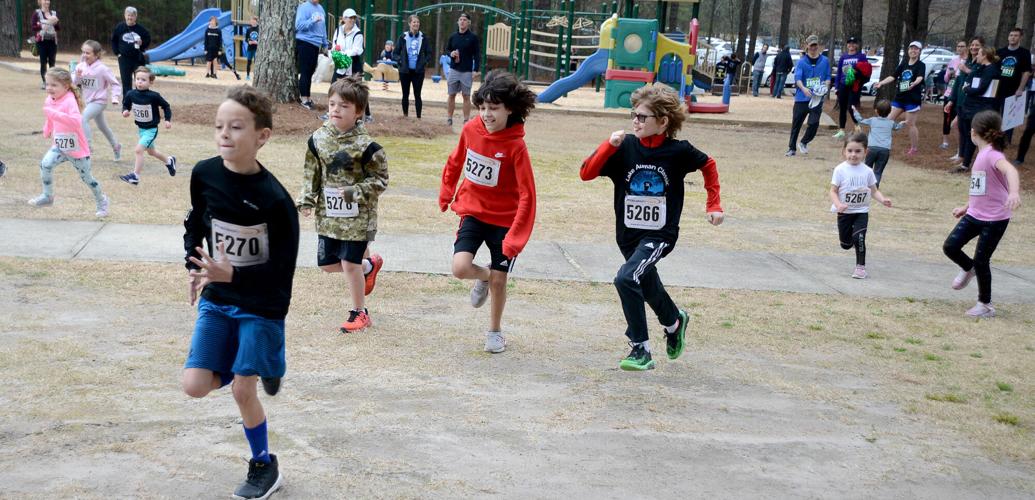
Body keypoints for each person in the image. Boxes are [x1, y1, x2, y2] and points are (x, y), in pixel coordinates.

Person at [181, 85, 299, 500]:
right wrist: (196, 267)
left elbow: (282, 273)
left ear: (261, 136)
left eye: (236, 127)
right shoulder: (205, 173)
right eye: (218, 127)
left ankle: (265, 465)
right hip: (219, 296)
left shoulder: (275, 201)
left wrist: (231, 274)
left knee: (241, 390)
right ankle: (259, 359)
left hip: (262, 307)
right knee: (194, 385)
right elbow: (197, 221)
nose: (224, 135)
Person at [580, 82, 723, 371]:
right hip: (627, 235)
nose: (635, 121)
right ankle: (674, 321)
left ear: (663, 121)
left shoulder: (678, 151)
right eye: (633, 115)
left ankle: (640, 348)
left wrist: (714, 204)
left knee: (625, 278)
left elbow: (708, 164)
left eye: (642, 117)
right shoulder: (625, 147)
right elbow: (586, 173)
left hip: (660, 235)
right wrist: (609, 145)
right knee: (645, 282)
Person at [438, 70, 537, 353]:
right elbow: (455, 162)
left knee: (500, 279)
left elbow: (528, 195)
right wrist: (447, 192)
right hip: (473, 212)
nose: (486, 114)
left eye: (494, 109)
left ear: (510, 109)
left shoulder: (516, 146)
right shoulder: (471, 130)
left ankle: (494, 331)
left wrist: (515, 237)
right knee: (459, 268)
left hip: (505, 222)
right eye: (482, 108)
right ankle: (483, 276)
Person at [297, 76, 388, 333]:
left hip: (358, 217)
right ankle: (369, 265)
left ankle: (360, 312)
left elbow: (381, 180)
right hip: (328, 216)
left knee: (350, 264)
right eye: (332, 104)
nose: (335, 109)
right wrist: (306, 199)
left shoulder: (367, 146)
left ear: (358, 112)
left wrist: (354, 192)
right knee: (327, 265)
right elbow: (311, 172)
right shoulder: (318, 139)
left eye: (344, 106)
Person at [942, 110, 1022, 318]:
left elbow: (1011, 171)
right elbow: (983, 188)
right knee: (950, 246)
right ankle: (968, 268)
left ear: (974, 132)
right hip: (975, 214)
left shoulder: (993, 155)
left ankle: (985, 304)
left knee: (982, 260)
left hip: (995, 219)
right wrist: (966, 207)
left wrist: (1014, 193)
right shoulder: (982, 154)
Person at [29, 68, 109, 218]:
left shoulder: (69, 100)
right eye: (47, 84)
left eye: (54, 85)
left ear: (66, 86)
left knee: (87, 178)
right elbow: (50, 117)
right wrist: (47, 129)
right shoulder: (49, 99)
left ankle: (102, 201)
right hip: (59, 146)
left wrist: (54, 114)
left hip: (77, 149)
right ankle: (48, 196)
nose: (49, 88)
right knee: (45, 164)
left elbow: (75, 122)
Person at [828, 132, 892, 279]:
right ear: (844, 151)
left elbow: (874, 191)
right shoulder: (840, 170)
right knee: (845, 244)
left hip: (861, 212)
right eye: (850, 151)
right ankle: (847, 241)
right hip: (845, 213)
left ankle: (860, 267)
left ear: (865, 152)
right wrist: (838, 204)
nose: (853, 155)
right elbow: (832, 191)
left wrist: (883, 200)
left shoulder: (868, 171)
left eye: (858, 151)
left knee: (860, 238)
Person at [119, 66, 176, 185]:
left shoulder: (154, 96)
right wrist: (125, 111)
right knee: (151, 152)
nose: (139, 82)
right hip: (141, 129)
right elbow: (126, 104)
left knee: (139, 150)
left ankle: (135, 176)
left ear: (151, 82)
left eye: (143, 80)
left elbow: (166, 106)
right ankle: (169, 161)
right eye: (137, 79)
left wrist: (167, 119)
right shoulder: (131, 94)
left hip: (151, 129)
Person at [951, 41, 999, 173]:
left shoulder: (992, 70)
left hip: (980, 108)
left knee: (980, 137)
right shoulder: (979, 68)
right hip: (970, 106)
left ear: (984, 55)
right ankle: (965, 164)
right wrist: (968, 86)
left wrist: (967, 89)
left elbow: (980, 89)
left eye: (978, 54)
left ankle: (984, 164)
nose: (976, 55)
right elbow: (970, 80)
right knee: (969, 135)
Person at [873, 41, 926, 156]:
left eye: (916, 49)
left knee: (910, 124)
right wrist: (881, 83)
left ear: (919, 51)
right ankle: (880, 143)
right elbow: (893, 76)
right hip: (899, 98)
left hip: (912, 99)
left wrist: (914, 84)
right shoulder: (903, 64)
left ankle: (914, 148)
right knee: (887, 120)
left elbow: (920, 77)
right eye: (911, 48)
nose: (913, 51)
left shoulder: (921, 65)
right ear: (908, 51)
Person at [74, 40, 122, 162]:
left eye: (88, 53)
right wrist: (78, 77)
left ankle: (87, 147)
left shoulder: (102, 69)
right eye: (83, 52)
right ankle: (116, 146)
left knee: (82, 118)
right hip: (88, 102)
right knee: (102, 126)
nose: (85, 55)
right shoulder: (80, 66)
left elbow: (115, 84)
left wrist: (115, 97)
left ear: (96, 55)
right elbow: (75, 84)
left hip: (99, 101)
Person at [785, 35, 830, 157]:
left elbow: (827, 77)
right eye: (811, 46)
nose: (814, 48)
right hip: (802, 98)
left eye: (815, 45)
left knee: (814, 123)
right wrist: (803, 88)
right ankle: (791, 148)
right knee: (796, 124)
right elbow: (798, 78)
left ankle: (804, 142)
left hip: (816, 98)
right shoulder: (801, 62)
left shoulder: (825, 61)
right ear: (807, 46)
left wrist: (824, 87)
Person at [852, 100, 904, 187]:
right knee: (878, 171)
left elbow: (860, 120)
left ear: (876, 110)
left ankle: (863, 184)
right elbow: (897, 127)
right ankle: (875, 187)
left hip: (871, 148)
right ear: (890, 111)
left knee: (867, 168)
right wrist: (902, 123)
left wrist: (855, 111)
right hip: (885, 150)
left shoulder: (872, 120)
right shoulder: (891, 123)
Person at [444, 12, 481, 126]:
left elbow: (477, 55)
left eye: (465, 20)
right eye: (460, 19)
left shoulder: (473, 38)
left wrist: (475, 70)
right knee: (451, 95)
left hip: (467, 71)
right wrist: (451, 53)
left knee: (466, 96)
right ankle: (449, 118)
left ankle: (466, 120)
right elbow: (446, 50)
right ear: (458, 22)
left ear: (468, 23)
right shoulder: (453, 36)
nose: (462, 21)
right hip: (454, 70)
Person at [996, 28, 1032, 142]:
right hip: (998, 88)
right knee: (995, 113)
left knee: (1009, 116)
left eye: (1016, 35)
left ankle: (1006, 139)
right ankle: (994, 136)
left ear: (1020, 37)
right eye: (1011, 35)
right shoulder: (1000, 52)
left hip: (1013, 89)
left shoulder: (1024, 53)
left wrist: (1020, 88)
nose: (1013, 37)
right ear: (1008, 37)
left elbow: (1026, 72)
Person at [394, 15, 432, 119]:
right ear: (409, 24)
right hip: (405, 71)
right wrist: (400, 61)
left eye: (418, 22)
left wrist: (424, 62)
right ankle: (405, 116)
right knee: (405, 94)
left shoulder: (423, 37)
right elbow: (395, 53)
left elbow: (429, 53)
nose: (416, 24)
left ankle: (418, 117)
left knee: (417, 95)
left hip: (418, 72)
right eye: (414, 22)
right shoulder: (403, 37)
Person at [110, 6, 150, 101]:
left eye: (132, 16)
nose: (130, 18)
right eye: (128, 15)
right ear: (125, 16)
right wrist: (117, 53)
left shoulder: (141, 29)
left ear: (135, 17)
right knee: (126, 82)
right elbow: (113, 40)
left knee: (140, 81)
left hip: (138, 58)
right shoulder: (120, 27)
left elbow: (147, 40)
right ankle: (127, 102)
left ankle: (140, 100)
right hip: (124, 59)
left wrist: (142, 43)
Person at [295, 0, 328, 110]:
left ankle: (308, 97)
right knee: (305, 71)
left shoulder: (321, 9)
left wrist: (325, 44)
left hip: (316, 44)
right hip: (305, 42)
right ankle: (304, 99)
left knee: (311, 71)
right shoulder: (304, 7)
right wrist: (312, 20)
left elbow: (323, 28)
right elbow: (299, 25)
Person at [833, 36, 868, 138]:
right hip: (843, 85)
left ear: (857, 45)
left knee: (851, 107)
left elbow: (866, 72)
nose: (851, 45)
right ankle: (841, 130)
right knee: (842, 107)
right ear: (847, 45)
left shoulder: (861, 56)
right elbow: (839, 72)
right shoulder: (843, 57)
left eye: (853, 43)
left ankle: (857, 126)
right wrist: (836, 86)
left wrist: (856, 74)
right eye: (849, 43)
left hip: (855, 86)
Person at [941, 41, 968, 151]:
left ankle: (960, 145)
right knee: (946, 118)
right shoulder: (953, 60)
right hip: (949, 93)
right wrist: (949, 74)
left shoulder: (968, 61)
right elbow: (945, 79)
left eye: (962, 46)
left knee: (960, 121)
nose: (960, 48)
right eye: (958, 46)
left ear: (966, 48)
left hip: (961, 95)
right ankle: (945, 141)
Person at [30, 0, 59, 90]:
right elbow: (33, 27)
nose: (47, 2)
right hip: (41, 42)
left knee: (52, 62)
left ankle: (52, 82)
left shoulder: (54, 13)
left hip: (52, 41)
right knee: (43, 62)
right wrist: (42, 26)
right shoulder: (37, 13)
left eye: (48, 0)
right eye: (45, 0)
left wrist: (56, 22)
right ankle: (45, 82)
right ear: (40, 2)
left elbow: (58, 28)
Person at [245, 16, 259, 81]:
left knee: (257, 63)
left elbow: (262, 38)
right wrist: (249, 42)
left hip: (257, 49)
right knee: (249, 62)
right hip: (250, 48)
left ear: (256, 21)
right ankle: (247, 75)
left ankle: (256, 75)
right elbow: (246, 39)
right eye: (251, 21)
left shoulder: (259, 29)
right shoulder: (248, 29)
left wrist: (257, 42)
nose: (252, 22)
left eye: (254, 20)